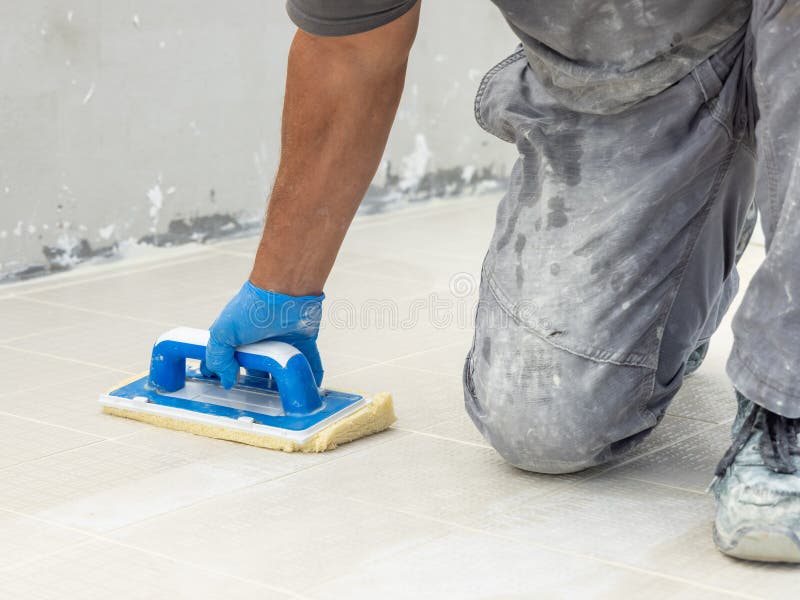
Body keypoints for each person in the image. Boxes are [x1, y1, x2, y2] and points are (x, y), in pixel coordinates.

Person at [204, 1, 800, 563]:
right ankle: (718, 197)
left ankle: (788, 400)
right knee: (545, 421)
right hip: (645, 69)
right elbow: (351, 52)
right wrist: (282, 289)